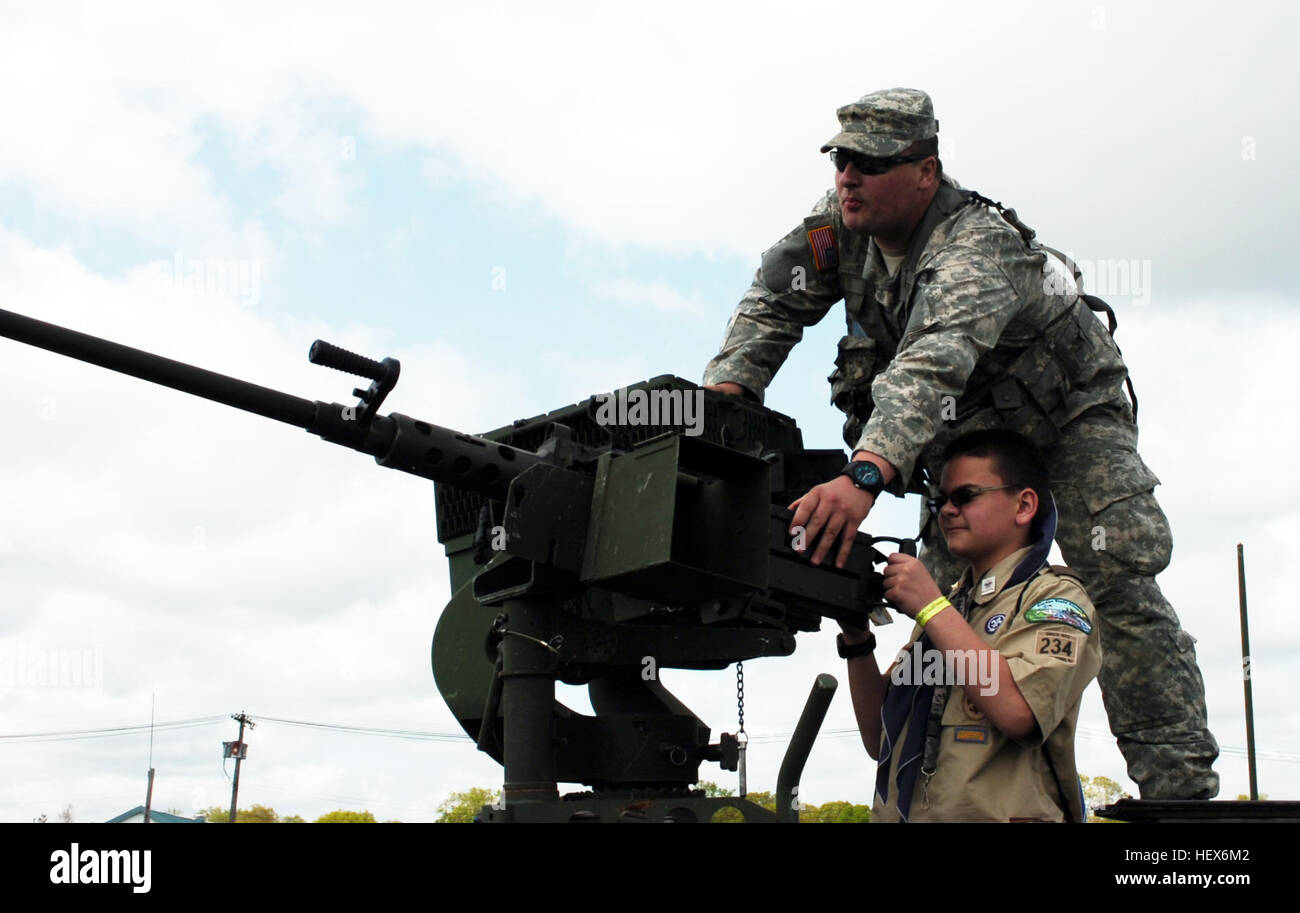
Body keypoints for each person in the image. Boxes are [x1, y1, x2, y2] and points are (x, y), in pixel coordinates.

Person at [702, 88, 1218, 799]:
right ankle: (936, 793)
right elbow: (771, 303)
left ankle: (1180, 797)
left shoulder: (976, 244)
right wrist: (720, 410)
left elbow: (933, 359)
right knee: (944, 607)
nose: (849, 177)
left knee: (1119, 579)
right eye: (841, 159)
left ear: (925, 171)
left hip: (1065, 411)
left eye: (870, 163)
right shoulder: (835, 229)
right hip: (965, 430)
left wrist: (866, 474)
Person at [843, 430, 1100, 822]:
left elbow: (1018, 710)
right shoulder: (948, 610)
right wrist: (857, 639)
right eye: (939, 500)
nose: (946, 511)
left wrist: (930, 607)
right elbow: (878, 738)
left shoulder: (1055, 599)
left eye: (965, 496)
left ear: (1024, 505)